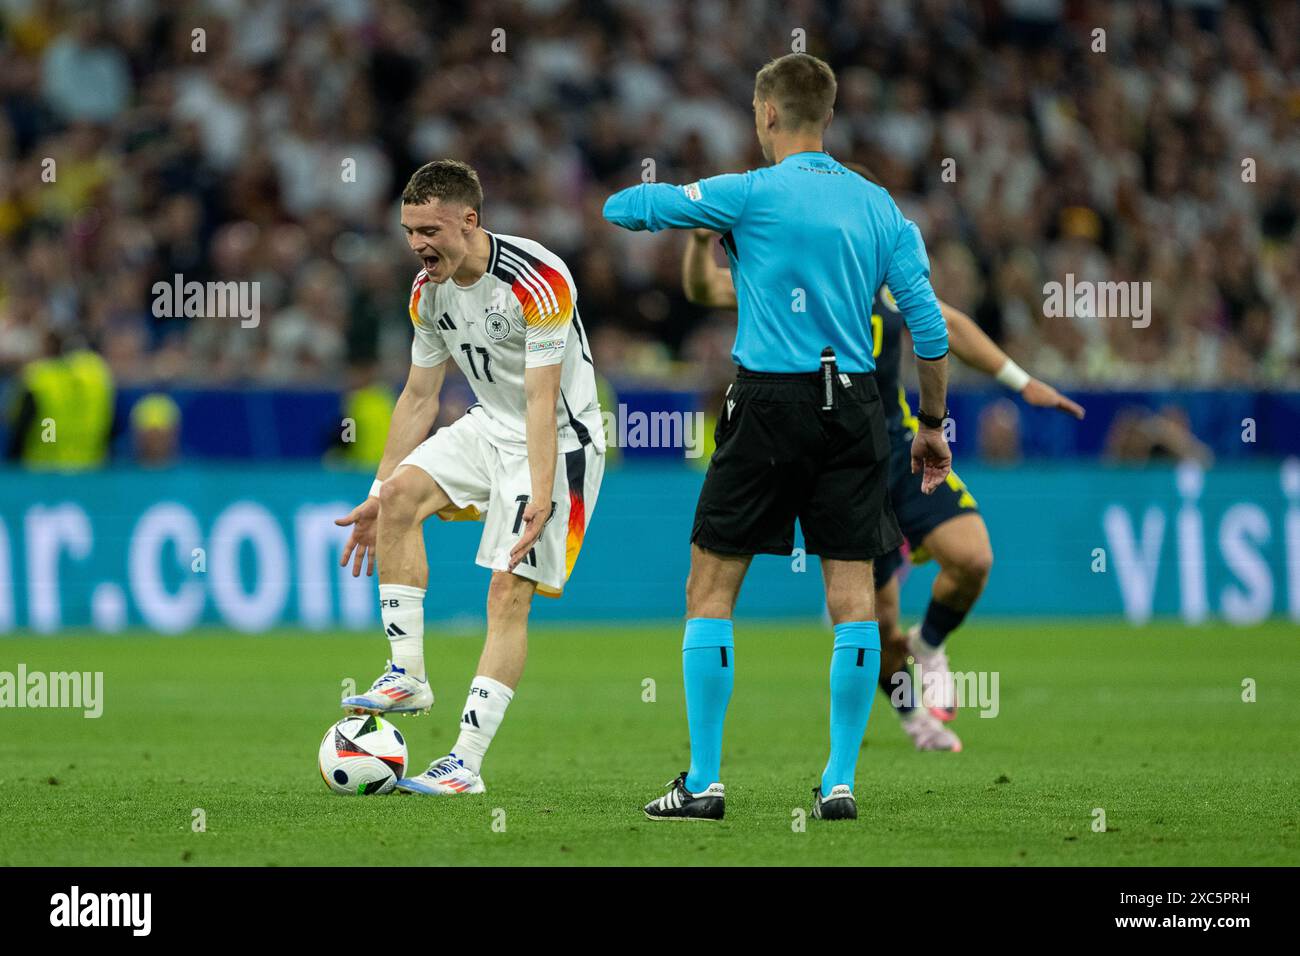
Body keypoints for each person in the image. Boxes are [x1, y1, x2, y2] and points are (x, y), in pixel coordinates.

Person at [603, 53, 951, 822]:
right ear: (828, 118)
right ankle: (838, 781)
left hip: (767, 402)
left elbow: (623, 209)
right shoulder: (880, 207)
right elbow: (928, 327)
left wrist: (694, 206)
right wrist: (929, 425)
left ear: (765, 114)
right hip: (857, 406)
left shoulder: (747, 194)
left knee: (710, 588)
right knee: (853, 597)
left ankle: (703, 780)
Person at [682, 215, 1085, 752]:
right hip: (843, 462)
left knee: (973, 558)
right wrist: (695, 238)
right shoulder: (787, 284)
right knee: (878, 621)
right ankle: (914, 717)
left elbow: (949, 326)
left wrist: (1021, 381)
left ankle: (932, 643)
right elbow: (703, 287)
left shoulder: (881, 285)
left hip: (897, 453)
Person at [335, 160, 605, 796]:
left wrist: (542, 495)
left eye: (430, 229)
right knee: (400, 492)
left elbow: (544, 401)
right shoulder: (427, 293)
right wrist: (376, 495)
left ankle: (465, 763)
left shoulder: (538, 280)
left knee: (506, 596)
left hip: (560, 444)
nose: (418, 245)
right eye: (408, 231)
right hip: (490, 426)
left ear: (470, 220)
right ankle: (407, 674)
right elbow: (419, 397)